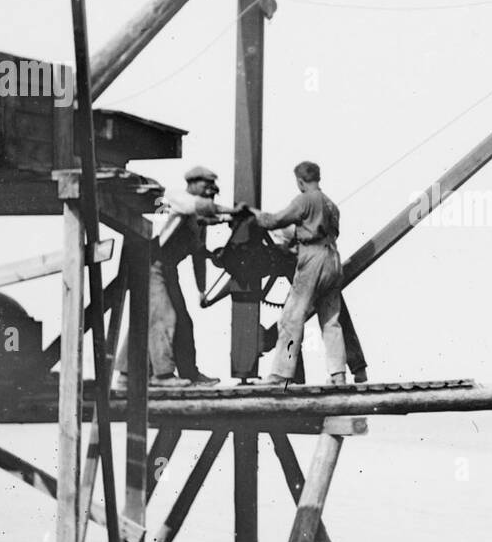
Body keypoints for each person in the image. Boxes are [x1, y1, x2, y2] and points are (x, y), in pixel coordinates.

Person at [116, 166, 238, 388]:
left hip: (167, 269)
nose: (209, 192)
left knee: (179, 321)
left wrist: (202, 290)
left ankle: (130, 374)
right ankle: (162, 375)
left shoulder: (197, 222)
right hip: (150, 263)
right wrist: (233, 213)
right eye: (205, 187)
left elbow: (198, 256)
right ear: (191, 183)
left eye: (212, 190)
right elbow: (198, 207)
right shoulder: (174, 197)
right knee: (163, 317)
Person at [248, 161, 350, 386]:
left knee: (290, 318)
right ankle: (338, 374)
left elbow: (274, 221)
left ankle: (281, 374)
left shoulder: (305, 199)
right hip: (333, 259)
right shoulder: (332, 205)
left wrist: (252, 214)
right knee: (331, 320)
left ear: (300, 181)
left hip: (312, 260)